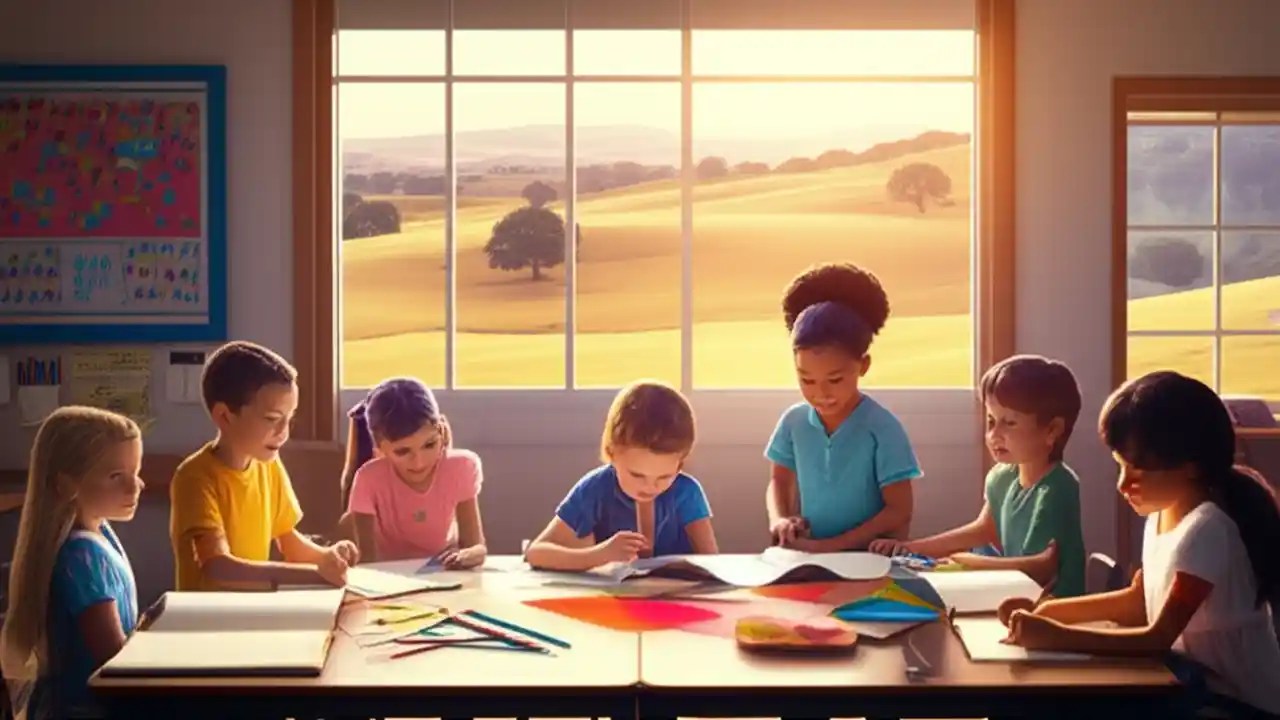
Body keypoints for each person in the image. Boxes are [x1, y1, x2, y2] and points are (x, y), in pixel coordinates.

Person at [1002, 371, 1280, 717]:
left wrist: (1055, 635)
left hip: (1233, 705)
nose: (1123, 484)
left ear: (1190, 466)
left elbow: (1156, 637)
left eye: (1138, 471)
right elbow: (1139, 602)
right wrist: (1045, 612)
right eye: (1120, 467)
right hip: (1189, 687)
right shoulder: (1162, 518)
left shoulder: (1206, 530)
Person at [871, 355, 1087, 596]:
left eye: (1009, 423)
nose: (994, 434)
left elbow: (1039, 570)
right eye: (991, 421)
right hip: (1018, 597)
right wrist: (909, 548)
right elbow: (984, 529)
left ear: (1052, 430)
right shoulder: (1002, 477)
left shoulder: (1056, 489)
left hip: (1051, 612)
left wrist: (966, 563)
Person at [169, 340, 359, 591]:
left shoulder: (267, 464)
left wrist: (327, 557)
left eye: (289, 419)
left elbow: (288, 541)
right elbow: (218, 567)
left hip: (252, 610)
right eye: (272, 419)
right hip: (209, 618)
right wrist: (316, 575)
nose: (283, 433)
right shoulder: (195, 477)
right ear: (225, 416)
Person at [766, 262, 921, 551]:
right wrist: (781, 519)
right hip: (812, 554)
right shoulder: (793, 422)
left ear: (863, 366)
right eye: (806, 380)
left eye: (835, 380)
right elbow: (779, 479)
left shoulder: (882, 427)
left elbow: (899, 511)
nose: (821, 393)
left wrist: (833, 546)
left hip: (871, 560)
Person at [1, 407, 143, 720]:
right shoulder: (81, 557)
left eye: (136, 473)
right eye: (116, 476)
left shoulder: (101, 532)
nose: (136, 487)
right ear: (65, 485)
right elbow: (112, 658)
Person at [525, 380, 718, 570]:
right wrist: (599, 555)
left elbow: (714, 562)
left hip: (676, 598)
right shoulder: (595, 490)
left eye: (664, 477)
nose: (650, 487)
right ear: (611, 454)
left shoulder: (687, 492)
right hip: (614, 598)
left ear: (681, 464)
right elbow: (536, 553)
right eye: (636, 475)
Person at [347, 378, 485, 566]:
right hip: (390, 580)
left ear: (442, 432)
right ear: (380, 450)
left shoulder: (461, 468)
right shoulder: (368, 479)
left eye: (429, 445)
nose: (418, 462)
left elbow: (476, 545)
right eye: (402, 451)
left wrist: (469, 556)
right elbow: (366, 561)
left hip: (446, 574)